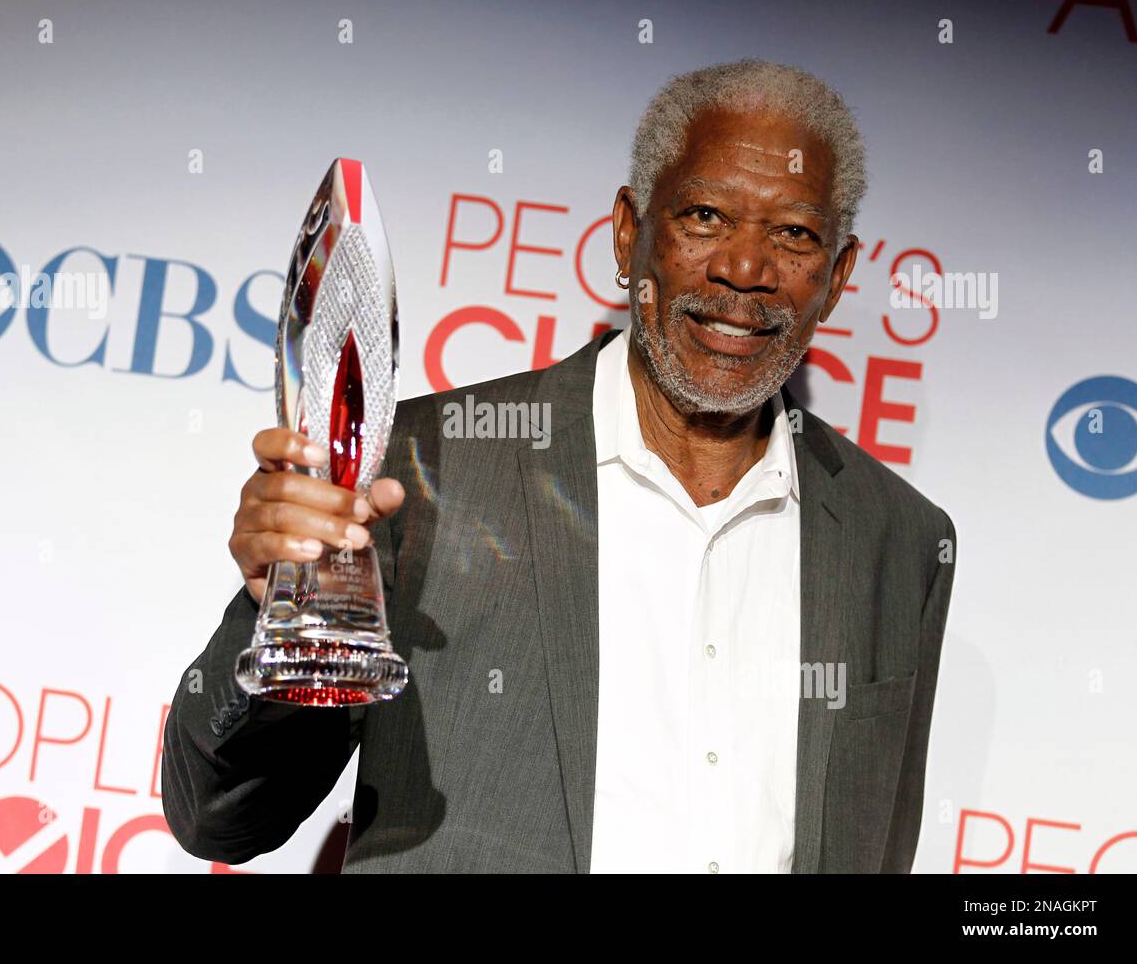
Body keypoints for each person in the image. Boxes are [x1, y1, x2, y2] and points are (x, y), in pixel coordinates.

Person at [162, 58, 957, 873]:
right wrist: (285, 610)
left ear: (837, 276)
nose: (744, 270)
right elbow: (218, 817)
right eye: (706, 216)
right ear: (627, 232)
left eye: (793, 234)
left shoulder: (897, 539)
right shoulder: (427, 468)